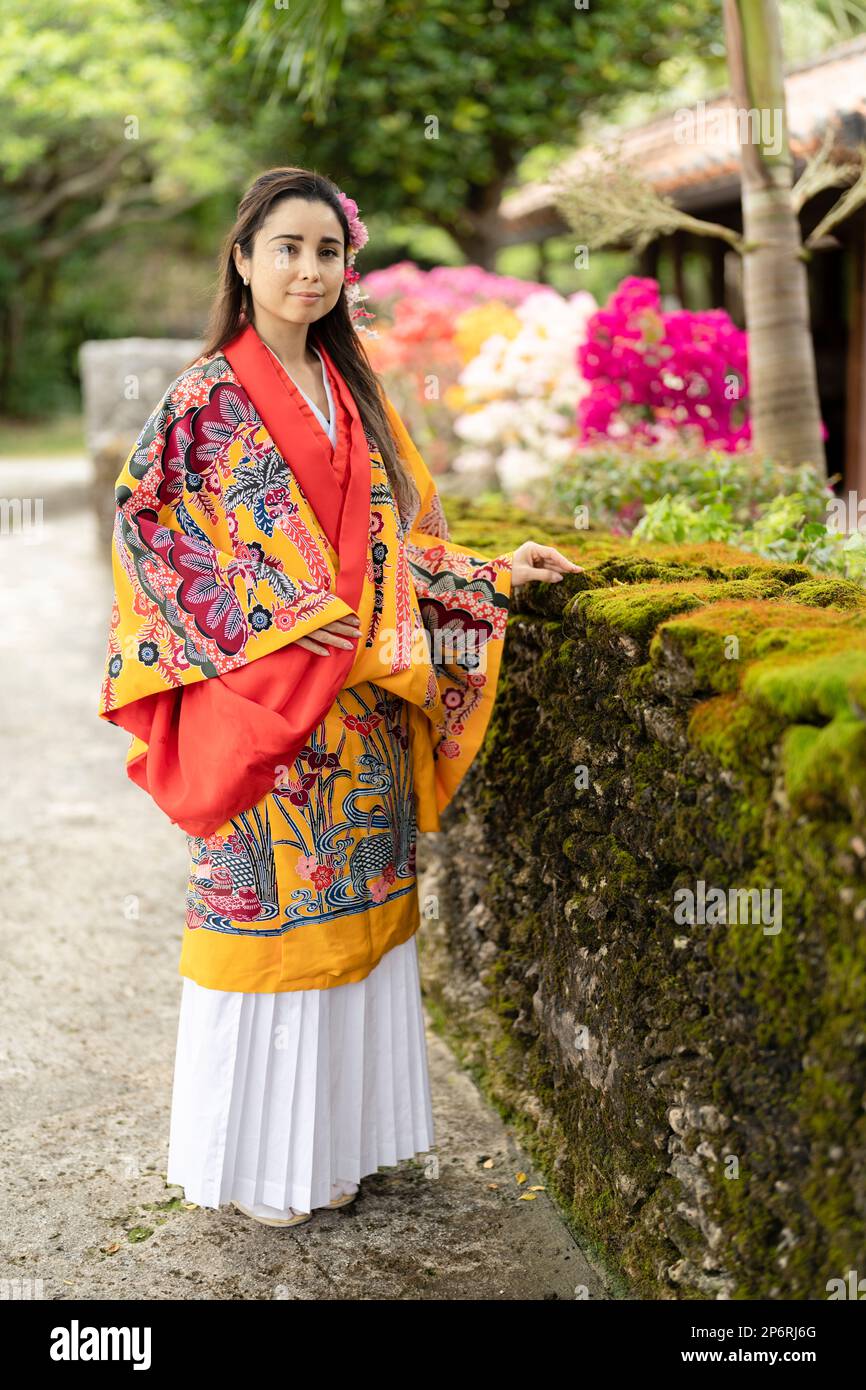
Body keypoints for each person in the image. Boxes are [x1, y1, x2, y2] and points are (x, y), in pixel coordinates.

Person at [97, 167, 582, 1228]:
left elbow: (397, 553)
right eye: (287, 248)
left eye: (327, 251)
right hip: (262, 712)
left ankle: (338, 1152)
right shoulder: (202, 400)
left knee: (353, 932)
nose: (309, 270)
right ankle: (262, 1170)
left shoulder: (352, 395)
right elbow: (150, 533)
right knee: (270, 930)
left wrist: (490, 576)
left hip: (356, 720)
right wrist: (276, 615)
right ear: (242, 259)